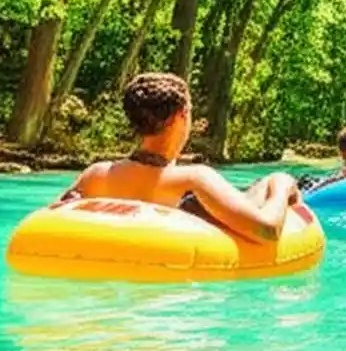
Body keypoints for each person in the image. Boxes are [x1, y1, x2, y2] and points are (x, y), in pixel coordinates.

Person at [57, 72, 299, 243]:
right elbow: (267, 231)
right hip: (172, 295)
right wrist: (281, 184)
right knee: (269, 183)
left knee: (256, 189)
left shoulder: (96, 175)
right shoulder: (193, 179)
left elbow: (54, 217)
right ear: (181, 115)